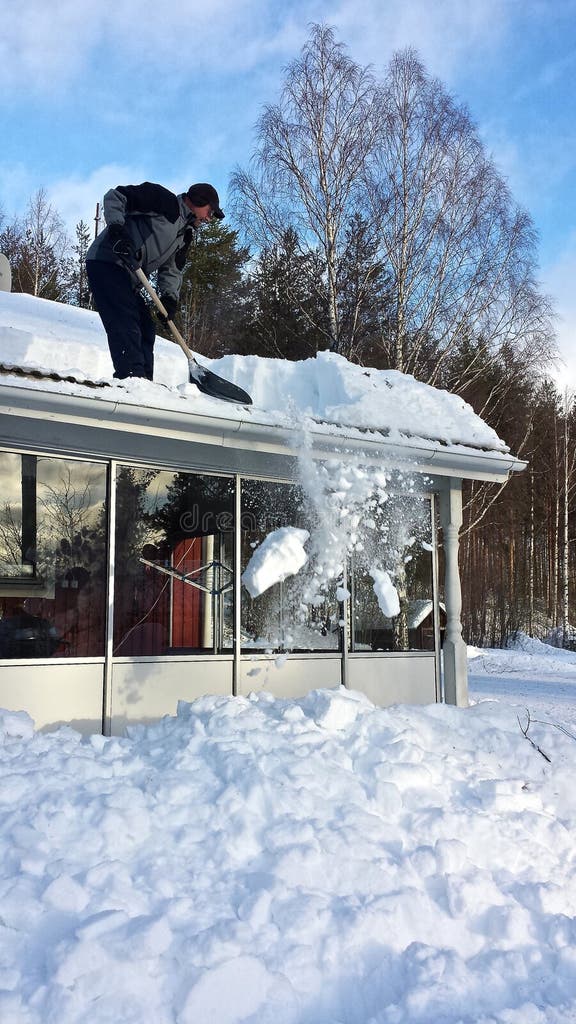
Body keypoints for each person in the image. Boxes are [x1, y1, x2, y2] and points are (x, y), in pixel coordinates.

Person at [86, 182, 224, 380]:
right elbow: (116, 196)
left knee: (146, 327)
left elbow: (172, 269)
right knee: (126, 320)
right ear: (198, 200)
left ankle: (143, 384)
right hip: (107, 260)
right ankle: (131, 376)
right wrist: (117, 229)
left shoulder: (185, 235)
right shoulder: (163, 201)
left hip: (128, 276)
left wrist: (169, 298)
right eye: (210, 212)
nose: (209, 219)